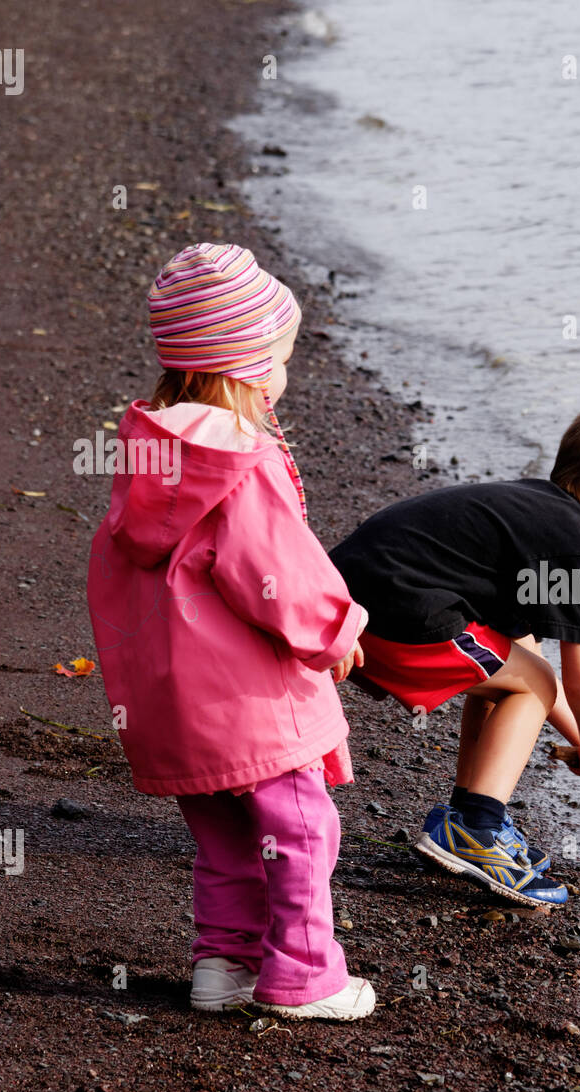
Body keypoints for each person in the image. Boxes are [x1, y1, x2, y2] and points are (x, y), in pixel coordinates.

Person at [87, 242, 375, 1021]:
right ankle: (306, 976)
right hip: (248, 698)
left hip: (176, 702)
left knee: (225, 841)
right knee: (302, 827)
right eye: (280, 355)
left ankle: (225, 967)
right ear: (244, 366)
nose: (285, 373)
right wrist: (335, 630)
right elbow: (272, 570)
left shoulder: (148, 452)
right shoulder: (240, 462)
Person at [329, 392, 580, 908]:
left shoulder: (535, 520)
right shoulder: (573, 548)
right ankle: (476, 828)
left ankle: (468, 815)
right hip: (397, 613)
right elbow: (578, 674)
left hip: (354, 606)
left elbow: (521, 658)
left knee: (511, 674)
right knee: (531, 680)